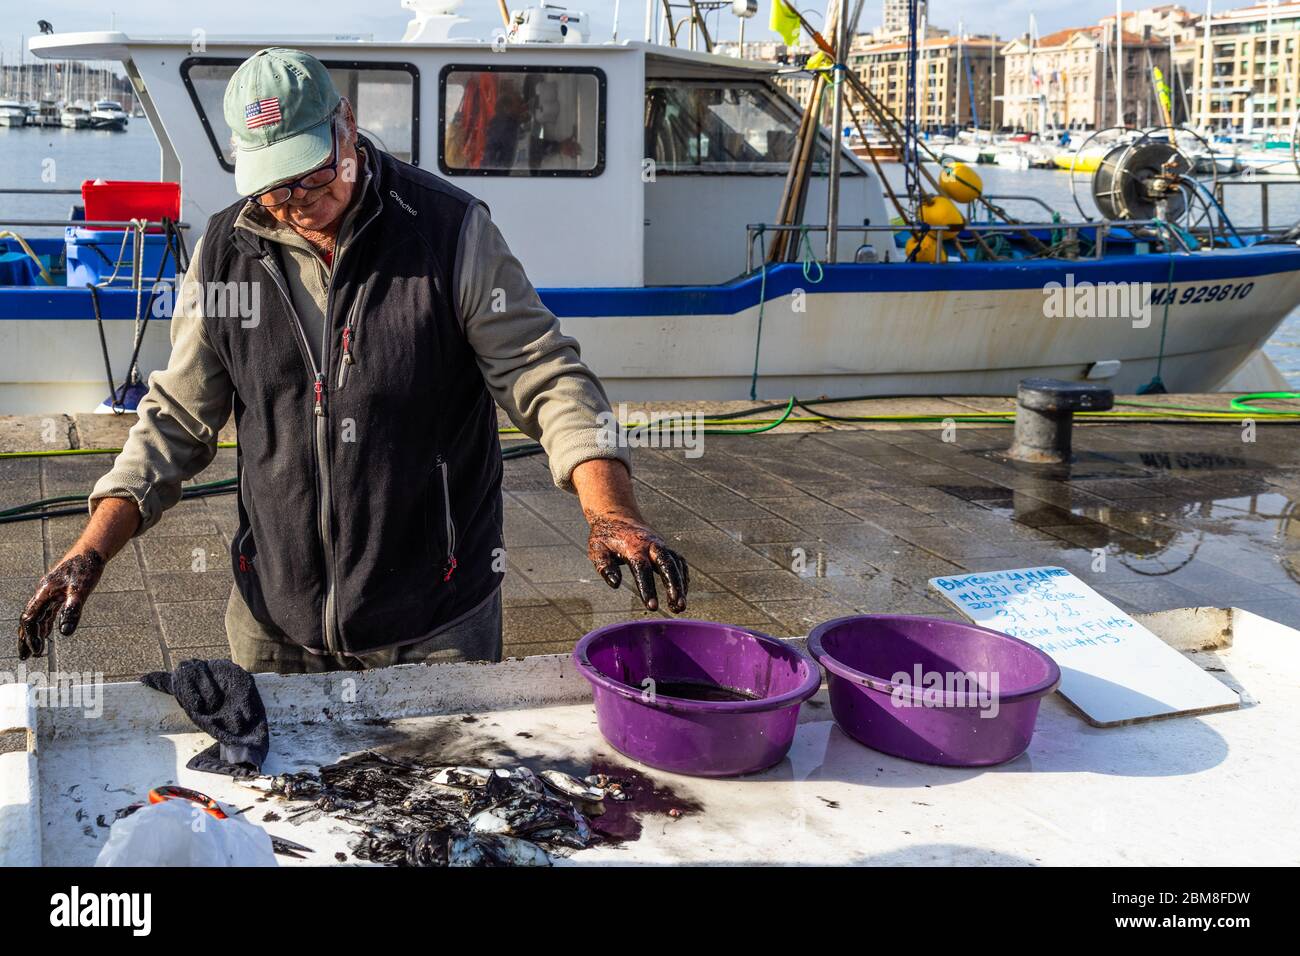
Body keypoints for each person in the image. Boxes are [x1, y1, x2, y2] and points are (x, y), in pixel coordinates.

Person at [17, 48, 689, 672]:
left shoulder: (449, 230)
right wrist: (91, 547)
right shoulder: (224, 251)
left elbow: (544, 374)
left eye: (311, 174)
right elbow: (176, 418)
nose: (295, 201)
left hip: (437, 624)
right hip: (272, 622)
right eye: (273, 187)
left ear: (348, 127)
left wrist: (609, 510)